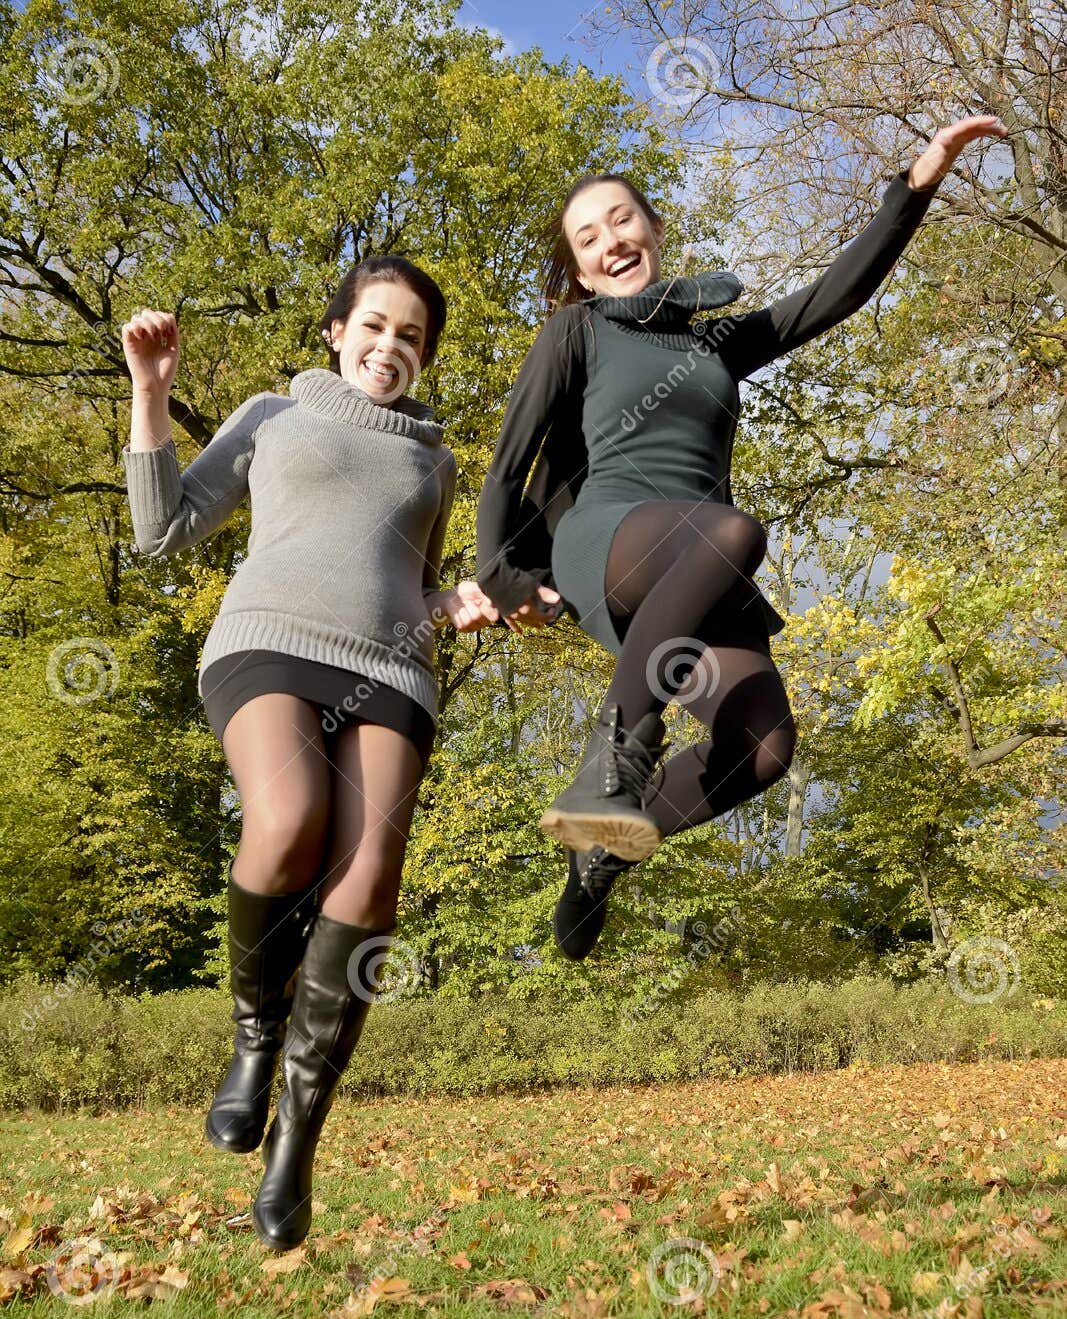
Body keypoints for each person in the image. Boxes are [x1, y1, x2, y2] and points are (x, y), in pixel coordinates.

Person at [476, 116, 1007, 960]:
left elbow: (833, 296)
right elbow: (507, 468)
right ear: (578, 269)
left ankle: (601, 851)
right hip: (607, 537)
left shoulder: (712, 342)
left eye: (622, 219)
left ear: (651, 228)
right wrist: (499, 577)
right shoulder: (574, 332)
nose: (610, 240)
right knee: (732, 529)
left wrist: (916, 184)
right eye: (588, 236)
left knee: (762, 747)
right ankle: (610, 761)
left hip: (697, 563)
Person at [122, 257, 497, 1250]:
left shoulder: (433, 458)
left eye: (411, 337)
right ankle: (254, 1035)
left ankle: (296, 1142)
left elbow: (412, 582)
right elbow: (162, 531)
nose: (391, 348)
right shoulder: (269, 415)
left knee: (369, 878)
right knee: (286, 824)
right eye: (375, 326)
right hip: (268, 641)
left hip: (392, 666)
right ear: (335, 330)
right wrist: (150, 397)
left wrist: (449, 602)